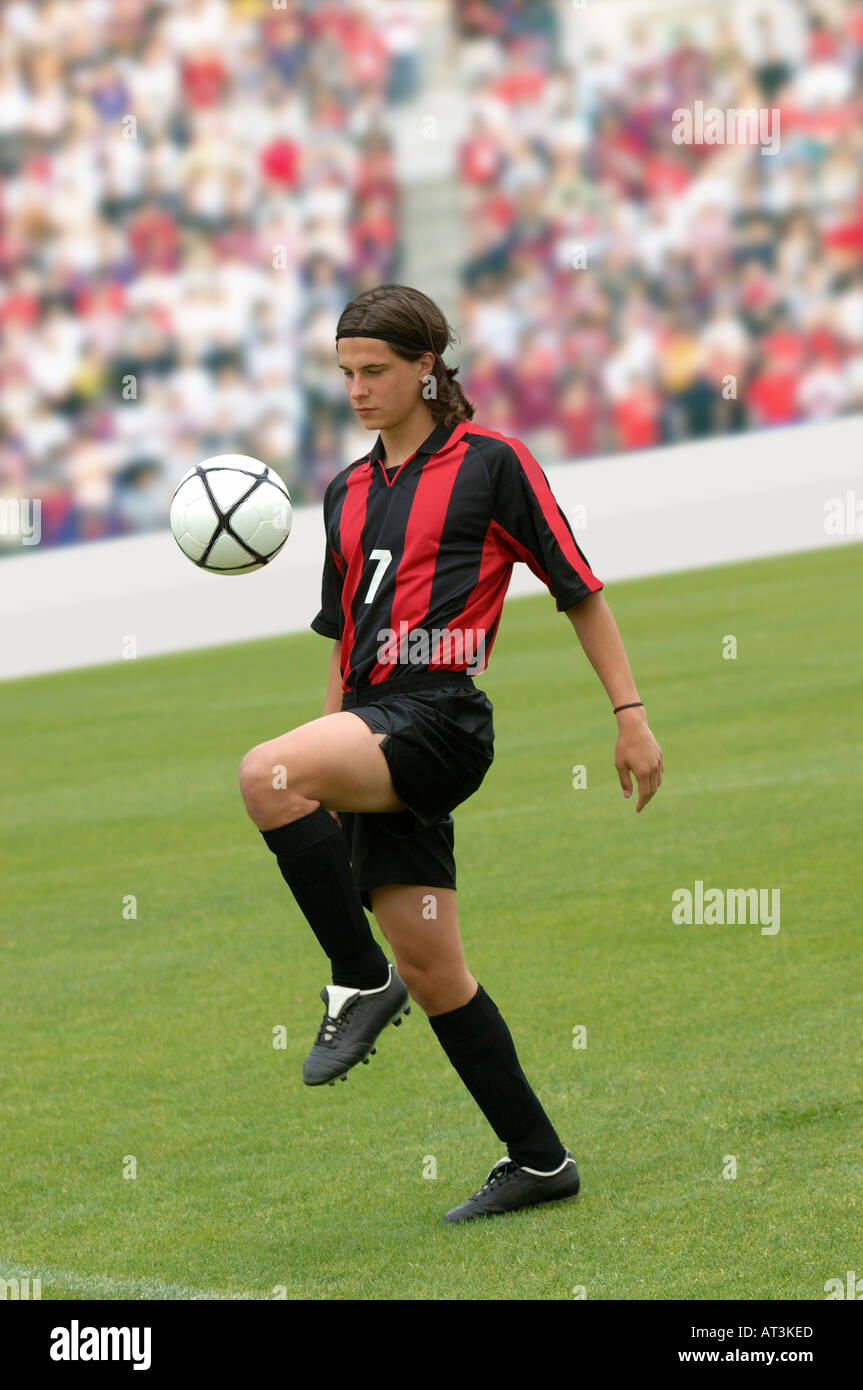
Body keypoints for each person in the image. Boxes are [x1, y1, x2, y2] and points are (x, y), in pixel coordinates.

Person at [238, 284, 663, 1223]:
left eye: (375, 371)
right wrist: (332, 762)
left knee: (264, 774)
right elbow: (345, 646)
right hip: (371, 730)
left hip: (441, 720)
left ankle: (354, 981)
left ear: (427, 366)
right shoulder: (346, 491)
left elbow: (577, 588)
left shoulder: (493, 464)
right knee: (434, 970)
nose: (356, 389)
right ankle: (540, 1160)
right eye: (345, 373)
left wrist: (628, 714)